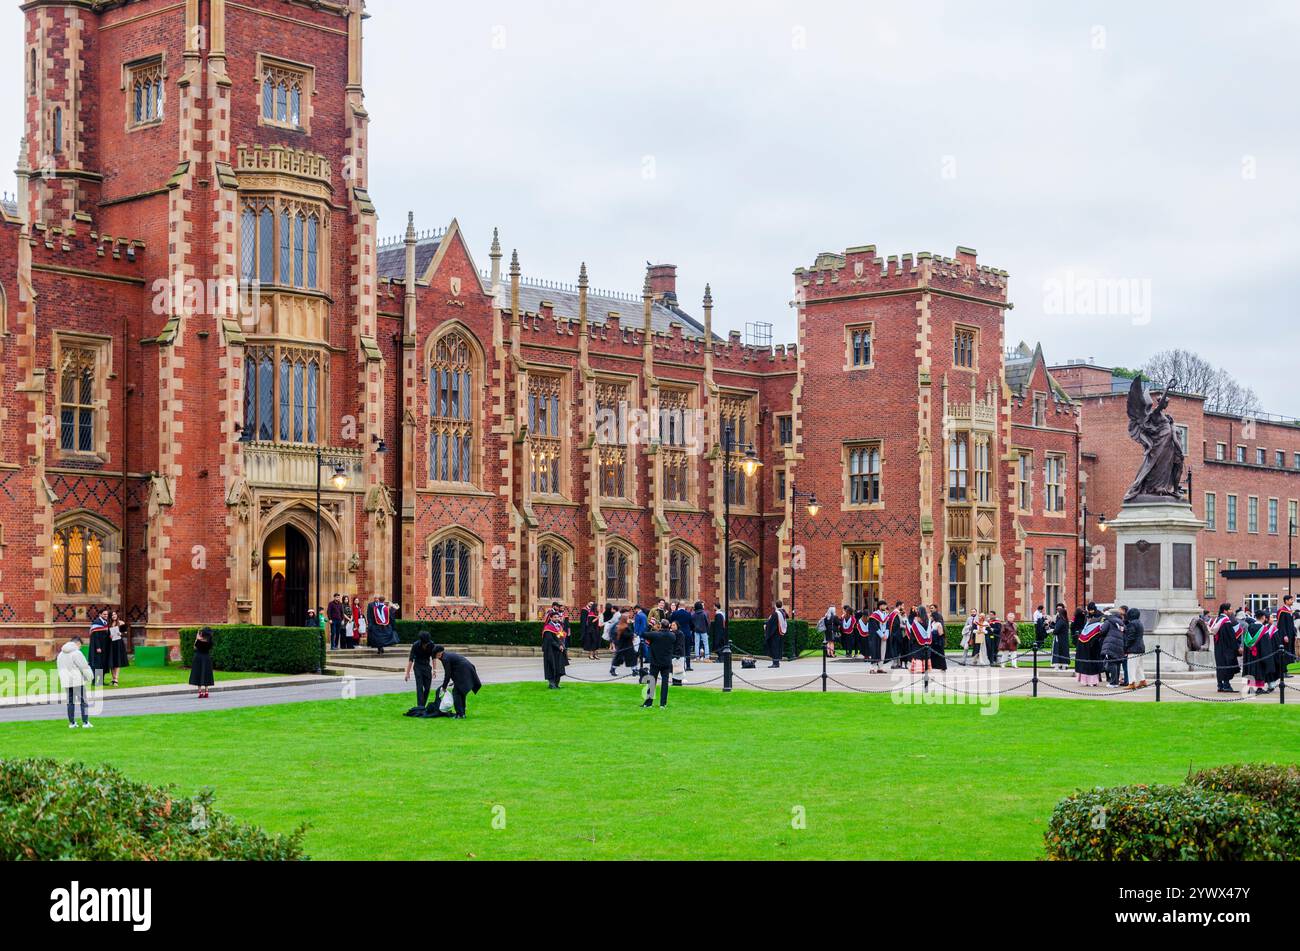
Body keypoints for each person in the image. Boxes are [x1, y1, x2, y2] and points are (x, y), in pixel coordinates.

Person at [433, 645, 482, 718]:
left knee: (456, 692)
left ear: (439, 653)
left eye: (435, 655)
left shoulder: (445, 658)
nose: (435, 657)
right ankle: (462, 713)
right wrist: (455, 681)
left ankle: (459, 714)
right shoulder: (446, 656)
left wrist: (444, 686)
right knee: (461, 692)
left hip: (464, 672)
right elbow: (454, 669)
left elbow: (448, 673)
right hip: (466, 671)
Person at [56, 634, 94, 729]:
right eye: (80, 645)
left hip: (66, 680)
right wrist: (90, 677)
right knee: (83, 701)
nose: (80, 648)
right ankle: (85, 722)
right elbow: (84, 666)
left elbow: (59, 668)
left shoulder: (60, 654)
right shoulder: (76, 653)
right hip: (77, 680)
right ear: (77, 643)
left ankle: (72, 723)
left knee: (70, 702)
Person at [642, 620, 676, 708]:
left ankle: (649, 703)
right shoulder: (672, 636)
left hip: (655, 662)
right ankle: (663, 704)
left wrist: (650, 625)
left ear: (661, 626)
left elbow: (643, 633)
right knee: (665, 684)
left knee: (652, 682)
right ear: (668, 626)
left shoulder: (655, 634)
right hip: (666, 662)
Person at [1241, 610, 1275, 696]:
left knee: (1251, 668)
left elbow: (1246, 641)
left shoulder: (1249, 627)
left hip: (1250, 653)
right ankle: (1259, 688)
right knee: (1259, 669)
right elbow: (1266, 645)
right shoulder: (1263, 629)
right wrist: (1267, 656)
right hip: (1260, 654)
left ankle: (1251, 687)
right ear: (1263, 617)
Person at [1210, 603, 1241, 693]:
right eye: (1230, 609)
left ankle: (1220, 685)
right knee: (1227, 666)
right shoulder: (1226, 621)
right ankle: (1226, 685)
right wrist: (1237, 647)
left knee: (1220, 666)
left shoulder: (1217, 620)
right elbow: (1231, 637)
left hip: (1218, 648)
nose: (1231, 611)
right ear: (1225, 611)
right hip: (1226, 649)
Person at [1074, 605, 1106, 686]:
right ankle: (1092, 681)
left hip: (1087, 647)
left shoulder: (1088, 626)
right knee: (1091, 665)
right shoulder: (1096, 626)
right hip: (1092, 648)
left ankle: (1088, 681)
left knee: (1088, 664)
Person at [405, 631, 437, 708]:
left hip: (427, 666)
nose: (426, 644)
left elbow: (434, 658)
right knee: (419, 687)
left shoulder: (431, 645)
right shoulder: (415, 645)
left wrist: (434, 670)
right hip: (418, 666)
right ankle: (420, 706)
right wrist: (407, 673)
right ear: (421, 641)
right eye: (425, 643)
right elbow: (411, 659)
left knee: (427, 688)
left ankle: (422, 705)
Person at [542, 602, 569, 689]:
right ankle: (551, 683)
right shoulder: (548, 628)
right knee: (551, 666)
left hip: (558, 651)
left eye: (557, 617)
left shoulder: (559, 627)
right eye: (555, 617)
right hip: (550, 651)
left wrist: (562, 645)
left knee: (559, 666)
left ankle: (557, 683)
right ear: (551, 618)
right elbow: (550, 640)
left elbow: (561, 637)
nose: (557, 618)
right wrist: (559, 646)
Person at [1123, 607, 1147, 690]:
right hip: (1140, 646)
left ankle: (1131, 683)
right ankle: (1142, 680)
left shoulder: (1132, 624)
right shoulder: (1139, 623)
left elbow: (1130, 637)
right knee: (1139, 666)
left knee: (1131, 666)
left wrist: (1125, 647)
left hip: (1133, 648)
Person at [190, 627, 216, 699]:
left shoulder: (199, 642)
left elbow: (195, 648)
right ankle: (207, 691)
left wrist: (197, 638)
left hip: (198, 658)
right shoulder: (210, 642)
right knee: (206, 674)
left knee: (199, 674)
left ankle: (200, 692)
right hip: (207, 658)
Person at [87, 609, 112, 687]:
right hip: (97, 648)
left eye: (107, 614)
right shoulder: (96, 623)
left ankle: (101, 681)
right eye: (104, 614)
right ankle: (95, 681)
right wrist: (98, 647)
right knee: (97, 664)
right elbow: (95, 637)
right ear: (100, 614)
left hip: (105, 647)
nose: (106, 616)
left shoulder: (106, 623)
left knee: (103, 664)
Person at [106, 609, 129, 687]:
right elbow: (106, 634)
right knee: (112, 662)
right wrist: (109, 635)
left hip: (118, 643)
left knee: (117, 661)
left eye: (115, 614)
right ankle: (113, 679)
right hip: (110, 644)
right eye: (112, 615)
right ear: (110, 616)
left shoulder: (121, 622)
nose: (114, 616)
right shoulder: (108, 624)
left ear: (117, 615)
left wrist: (120, 633)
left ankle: (116, 679)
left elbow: (125, 633)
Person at [1276, 595, 1295, 681]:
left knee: (1289, 652)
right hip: (1285, 636)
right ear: (1286, 601)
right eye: (1291, 600)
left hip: (1290, 635)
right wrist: (1284, 635)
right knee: (1285, 653)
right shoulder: (1282, 611)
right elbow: (1281, 625)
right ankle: (1282, 672)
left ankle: (1286, 670)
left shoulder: (1289, 610)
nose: (1292, 601)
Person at [764, 600, 788, 668]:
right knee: (778, 648)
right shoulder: (783, 612)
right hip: (780, 633)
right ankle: (777, 662)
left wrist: (766, 624)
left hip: (775, 634)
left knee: (775, 648)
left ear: (775, 605)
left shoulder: (776, 614)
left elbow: (771, 624)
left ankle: (775, 663)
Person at [1051, 604, 1071, 670]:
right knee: (1064, 652)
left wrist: (1052, 631)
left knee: (1057, 652)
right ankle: (1064, 666)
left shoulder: (1061, 621)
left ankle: (1057, 666)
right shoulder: (1065, 620)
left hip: (1059, 639)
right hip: (1064, 639)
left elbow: (1056, 629)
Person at [928, 606, 948, 672]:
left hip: (938, 641)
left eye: (932, 617)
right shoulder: (932, 623)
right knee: (933, 654)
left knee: (940, 654)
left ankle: (943, 667)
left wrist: (934, 633)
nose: (931, 618)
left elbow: (941, 633)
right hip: (933, 641)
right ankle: (934, 666)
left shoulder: (938, 623)